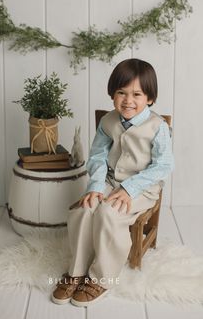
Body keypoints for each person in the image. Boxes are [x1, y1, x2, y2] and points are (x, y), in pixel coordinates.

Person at [52, 58, 174, 307]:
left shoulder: (157, 127)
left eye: (137, 94)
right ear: (112, 95)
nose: (128, 100)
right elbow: (97, 157)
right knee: (85, 210)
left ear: (149, 98)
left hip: (142, 187)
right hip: (108, 181)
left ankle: (102, 278)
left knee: (108, 213)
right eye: (121, 92)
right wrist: (96, 187)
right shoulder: (107, 122)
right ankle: (76, 271)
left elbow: (163, 165)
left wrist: (129, 188)